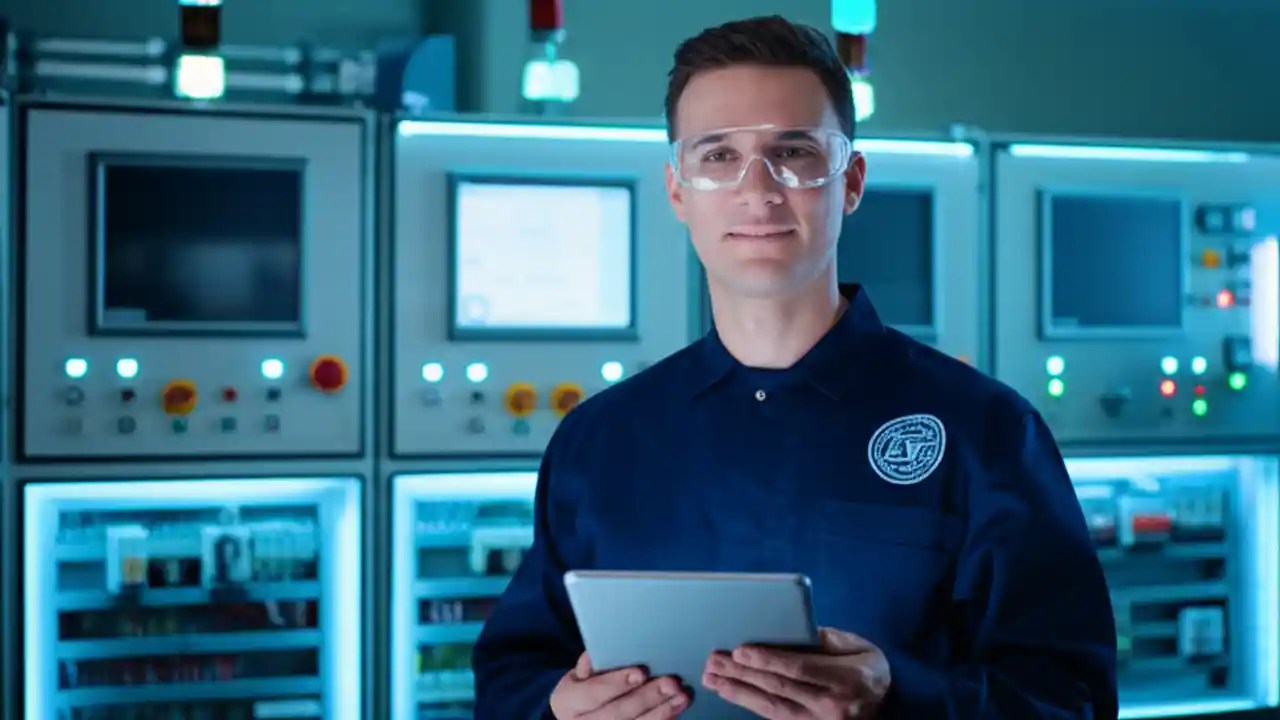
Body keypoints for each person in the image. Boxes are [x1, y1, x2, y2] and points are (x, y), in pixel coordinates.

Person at [472, 14, 1118, 720]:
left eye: (796, 152)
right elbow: (512, 677)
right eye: (718, 156)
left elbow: (1075, 699)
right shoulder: (599, 441)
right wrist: (558, 710)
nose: (759, 190)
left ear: (851, 182)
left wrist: (900, 698)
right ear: (677, 192)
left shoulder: (983, 429)